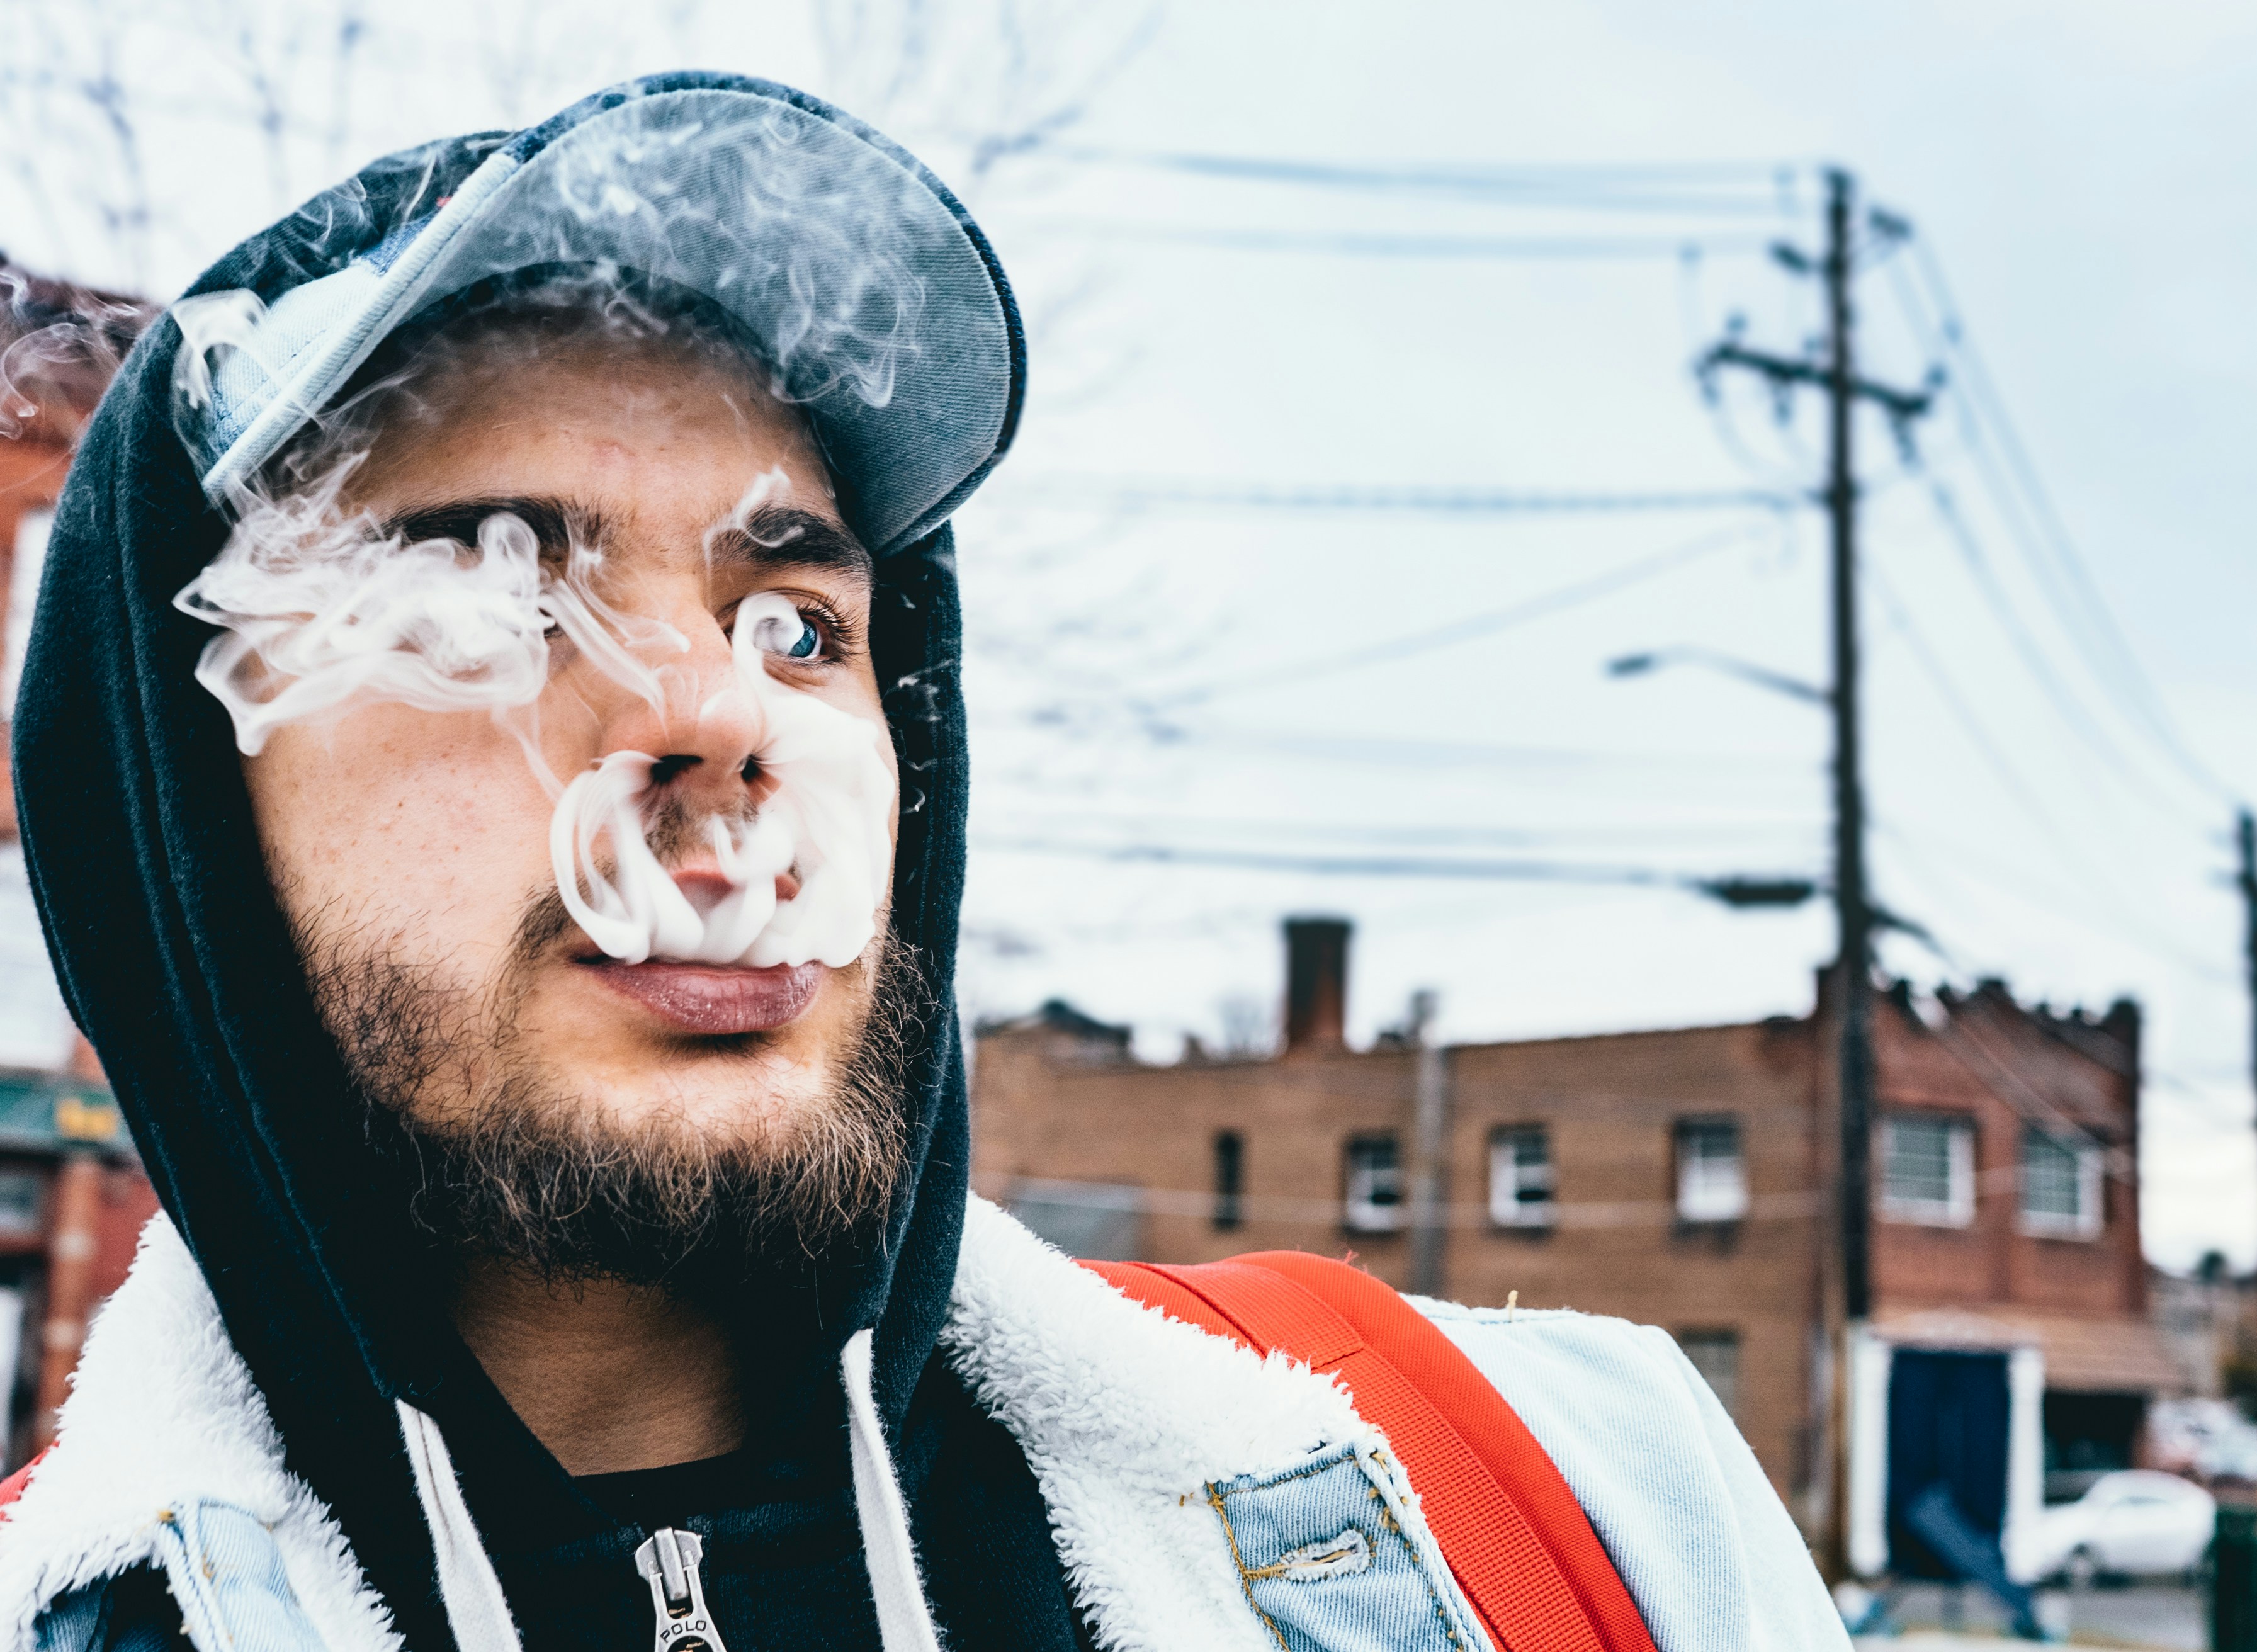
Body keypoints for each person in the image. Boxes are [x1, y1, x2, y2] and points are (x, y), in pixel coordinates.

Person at [1, 74, 1848, 1652]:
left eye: (797, 626)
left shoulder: (1572, 1494)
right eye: (495, 604)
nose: (718, 714)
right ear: (183, 814)